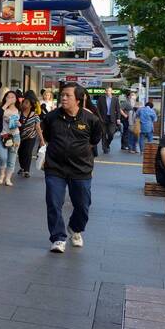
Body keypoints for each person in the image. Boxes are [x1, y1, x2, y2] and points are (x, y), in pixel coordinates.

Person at [41, 82, 102, 253]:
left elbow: (95, 139)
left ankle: (75, 229)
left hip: (81, 169)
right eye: (62, 95)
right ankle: (58, 238)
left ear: (78, 99)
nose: (63, 98)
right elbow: (47, 136)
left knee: (83, 205)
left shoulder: (91, 119)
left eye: (68, 95)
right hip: (55, 168)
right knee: (54, 203)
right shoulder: (52, 117)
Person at [0, 89, 22, 186]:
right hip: (2, 135)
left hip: (15, 136)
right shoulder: (2, 108)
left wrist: (19, 124)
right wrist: (6, 105)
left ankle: (8, 178)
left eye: (12, 97)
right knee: (3, 157)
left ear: (16, 99)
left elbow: (22, 122)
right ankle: (2, 174)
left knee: (12, 158)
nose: (10, 98)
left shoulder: (19, 110)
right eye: (8, 97)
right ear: (5, 98)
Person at [17, 91, 41, 178]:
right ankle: (22, 167)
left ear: (31, 105)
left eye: (27, 103)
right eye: (24, 102)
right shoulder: (19, 114)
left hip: (31, 136)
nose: (24, 104)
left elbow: (38, 127)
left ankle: (27, 170)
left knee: (28, 152)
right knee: (20, 152)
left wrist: (42, 140)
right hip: (19, 136)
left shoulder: (35, 115)